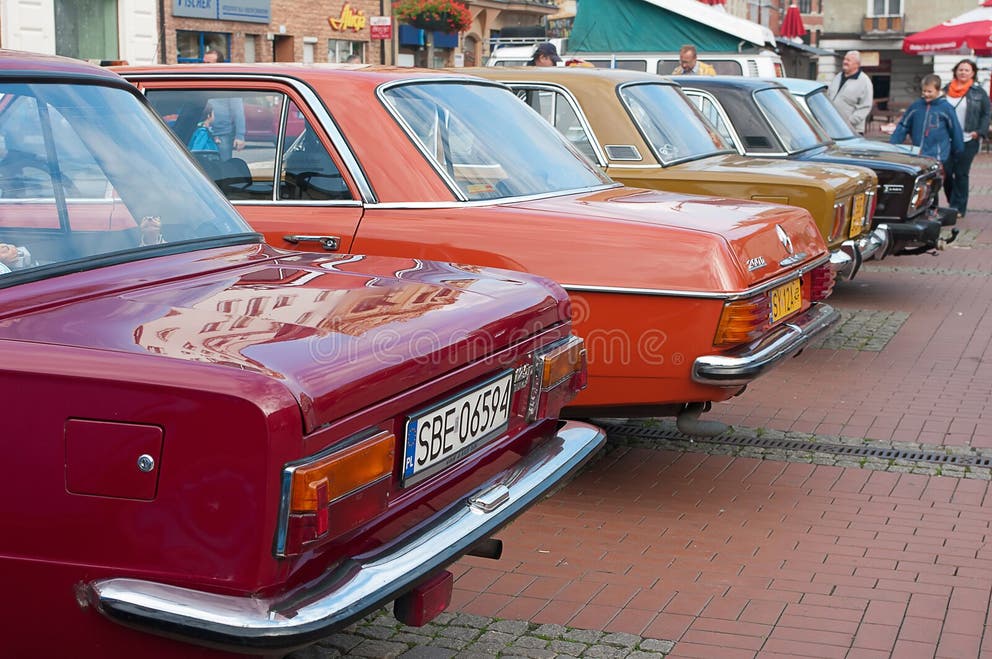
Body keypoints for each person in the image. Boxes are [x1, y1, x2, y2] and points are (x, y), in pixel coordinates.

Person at [942, 59, 991, 218]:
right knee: (946, 172)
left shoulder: (978, 92)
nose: (963, 72)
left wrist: (980, 131)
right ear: (955, 71)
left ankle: (958, 207)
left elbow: (986, 113)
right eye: (961, 69)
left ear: (973, 73)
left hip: (968, 138)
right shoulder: (945, 90)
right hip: (947, 139)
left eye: (967, 70)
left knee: (961, 173)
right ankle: (952, 201)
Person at [889, 74, 964, 171]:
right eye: (924, 91)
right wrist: (893, 145)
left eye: (929, 91)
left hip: (938, 157)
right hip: (918, 155)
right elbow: (903, 126)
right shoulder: (916, 106)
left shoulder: (946, 108)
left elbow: (955, 131)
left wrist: (958, 152)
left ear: (938, 90)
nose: (926, 94)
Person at [826, 50, 874, 136]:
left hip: (851, 130)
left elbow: (865, 106)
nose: (845, 62)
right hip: (832, 126)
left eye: (848, 60)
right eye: (845, 59)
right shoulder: (838, 77)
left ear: (857, 64)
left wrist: (848, 122)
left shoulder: (864, 82)